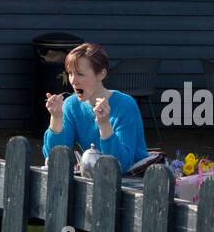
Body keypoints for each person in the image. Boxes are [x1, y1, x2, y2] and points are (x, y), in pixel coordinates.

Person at [43, 42, 146, 173]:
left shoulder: (125, 105)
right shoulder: (71, 105)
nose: (73, 80)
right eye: (70, 73)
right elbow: (55, 159)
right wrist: (56, 119)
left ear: (101, 74)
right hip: (94, 180)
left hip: (136, 182)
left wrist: (104, 125)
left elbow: (122, 164)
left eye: (80, 74)